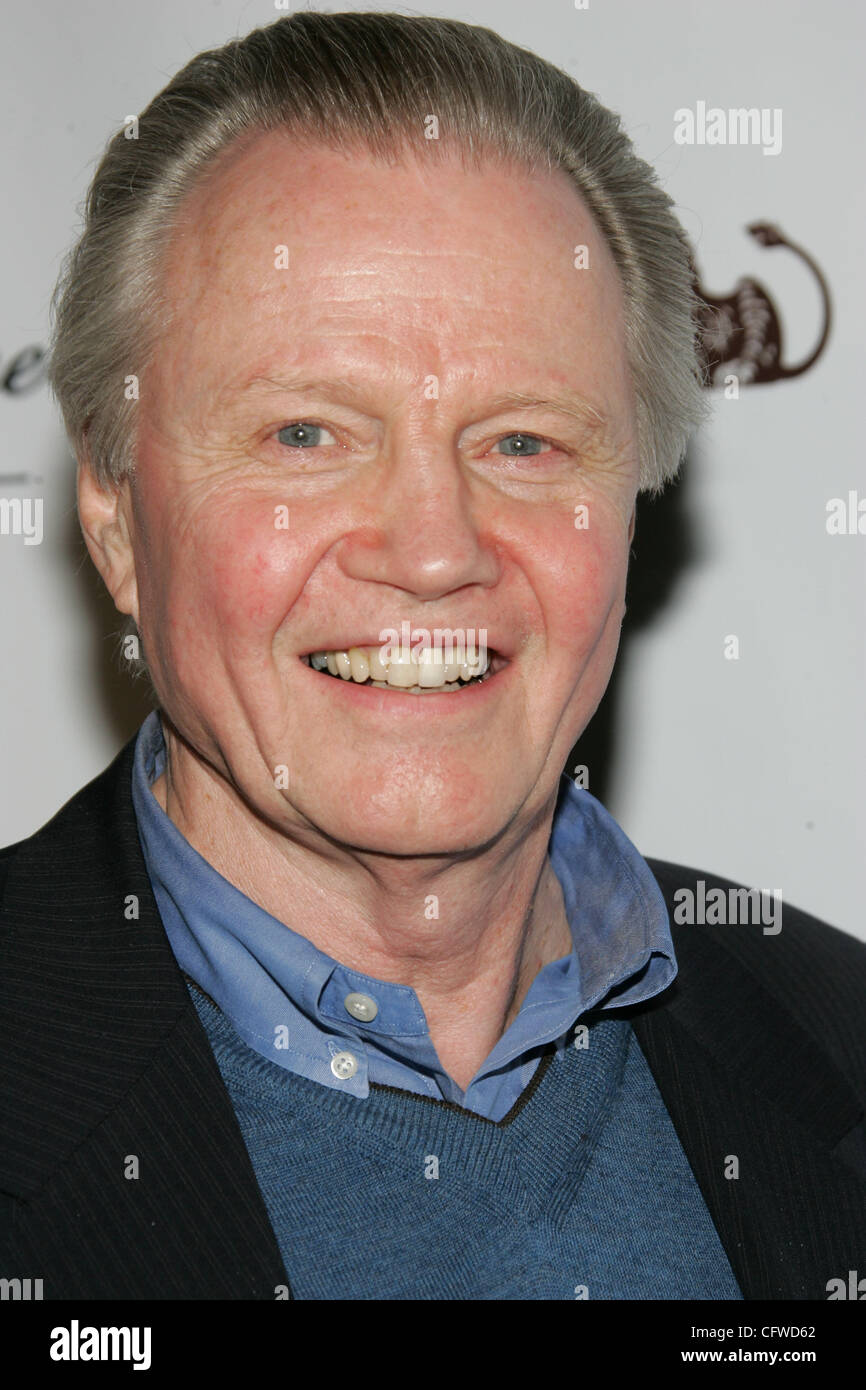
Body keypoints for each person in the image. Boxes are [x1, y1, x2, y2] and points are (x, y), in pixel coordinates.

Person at [1, 10, 864, 1302]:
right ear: (116, 521)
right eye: (304, 433)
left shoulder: (834, 1030)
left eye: (522, 442)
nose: (431, 547)